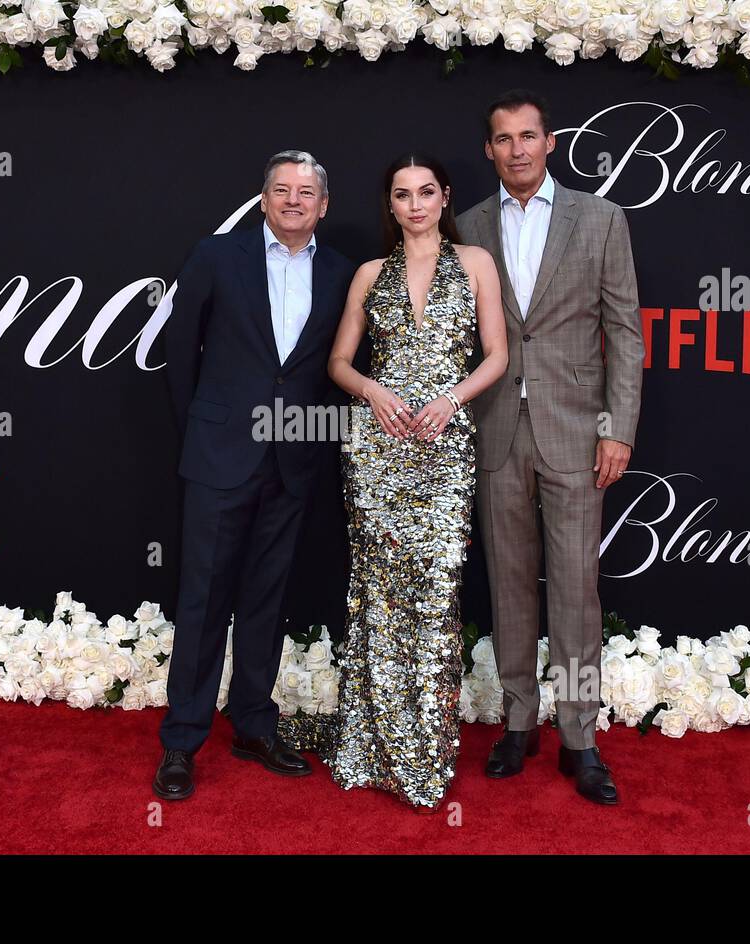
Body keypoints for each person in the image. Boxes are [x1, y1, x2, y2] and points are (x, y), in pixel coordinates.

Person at [278, 153, 508, 809]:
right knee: (376, 602)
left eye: (426, 192)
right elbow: (338, 362)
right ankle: (369, 746)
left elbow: (498, 354)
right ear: (390, 205)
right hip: (376, 455)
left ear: (445, 198)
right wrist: (371, 389)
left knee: (435, 602)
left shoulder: (476, 265)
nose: (414, 204)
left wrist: (452, 400)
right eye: (402, 194)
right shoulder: (369, 275)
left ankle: (423, 760)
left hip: (443, 451)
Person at [455, 89, 645, 805]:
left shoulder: (600, 219)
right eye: (504, 139)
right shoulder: (467, 225)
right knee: (508, 588)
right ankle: (516, 722)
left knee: (576, 594)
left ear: (551, 141)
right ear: (490, 150)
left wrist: (618, 427)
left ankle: (580, 737)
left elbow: (625, 334)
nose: (518, 150)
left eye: (528, 136)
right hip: (497, 431)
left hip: (577, 433)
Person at [154, 150, 357, 801]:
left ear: (323, 205)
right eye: (281, 189)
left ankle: (252, 724)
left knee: (267, 602)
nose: (294, 200)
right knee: (204, 599)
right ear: (263, 198)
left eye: (306, 192)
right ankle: (182, 741)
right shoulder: (218, 255)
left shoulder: (342, 272)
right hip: (219, 456)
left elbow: (334, 369)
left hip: (293, 462)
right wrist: (202, 433)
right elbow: (180, 350)